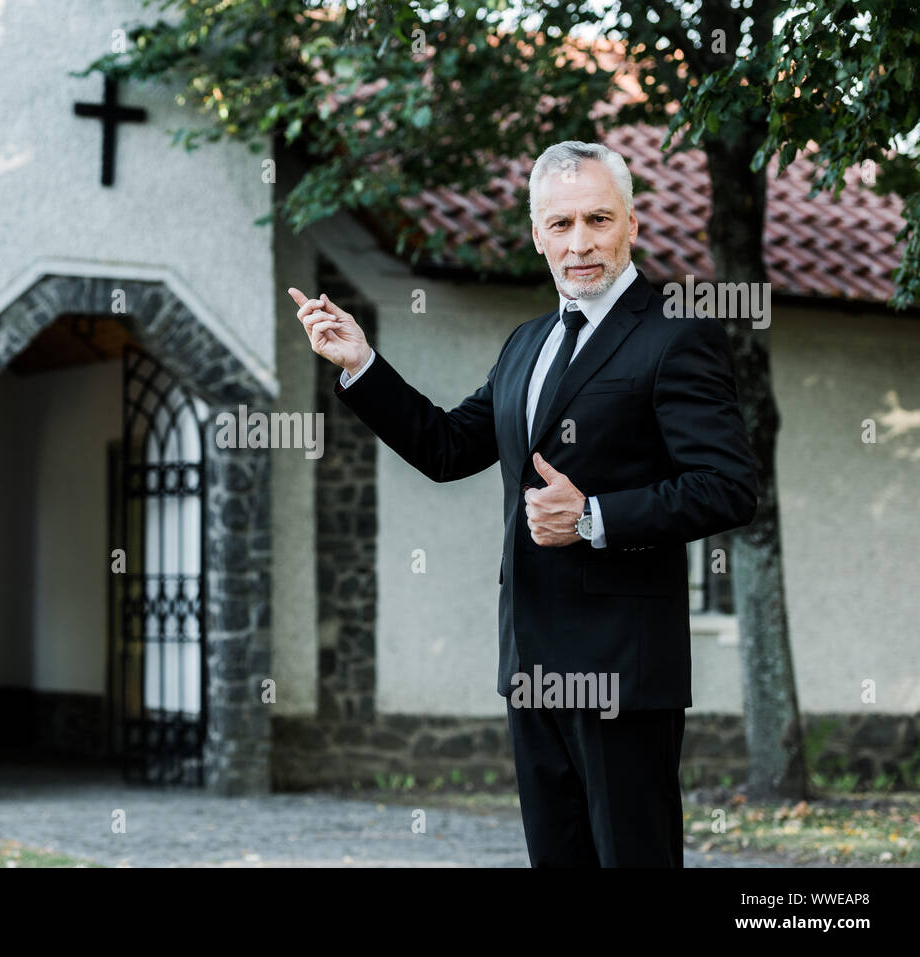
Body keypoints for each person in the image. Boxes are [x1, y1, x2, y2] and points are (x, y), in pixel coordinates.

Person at [288, 140, 758, 867]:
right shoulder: (526, 344)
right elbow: (447, 448)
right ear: (536, 234)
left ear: (631, 224)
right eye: (560, 224)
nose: (580, 243)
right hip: (533, 660)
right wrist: (362, 365)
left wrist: (595, 515)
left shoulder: (677, 333)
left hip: (622, 671)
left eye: (598, 219)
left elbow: (728, 485)